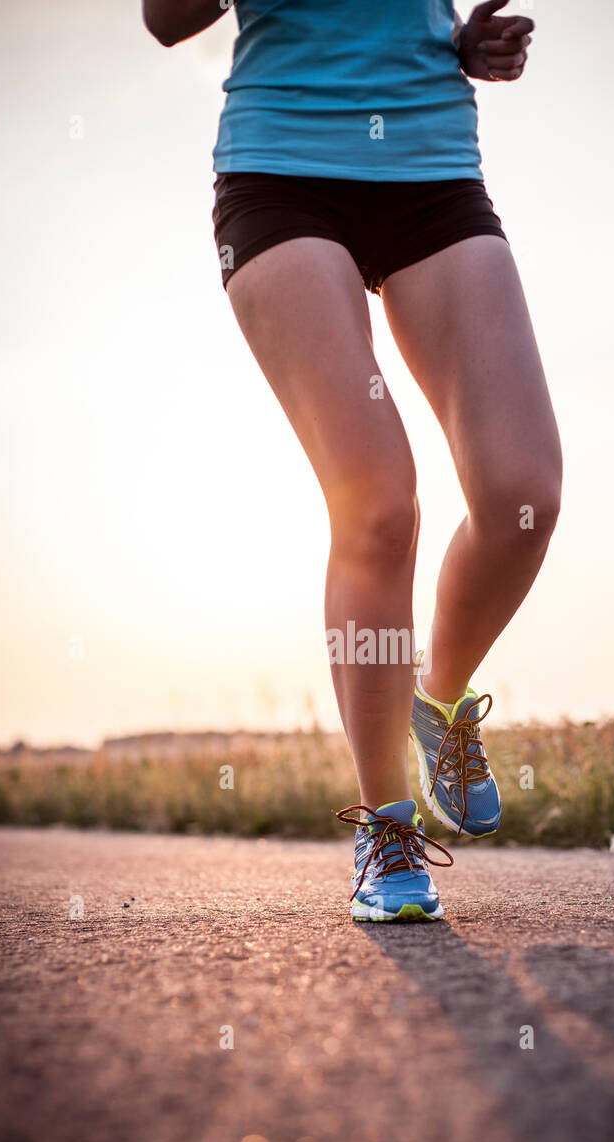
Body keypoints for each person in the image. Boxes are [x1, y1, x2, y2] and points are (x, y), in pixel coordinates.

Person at [142, 0, 562, 922]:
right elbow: (165, 18)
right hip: (281, 172)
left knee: (522, 494)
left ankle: (440, 705)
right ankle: (387, 824)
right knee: (377, 502)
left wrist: (465, 46)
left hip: (432, 167)